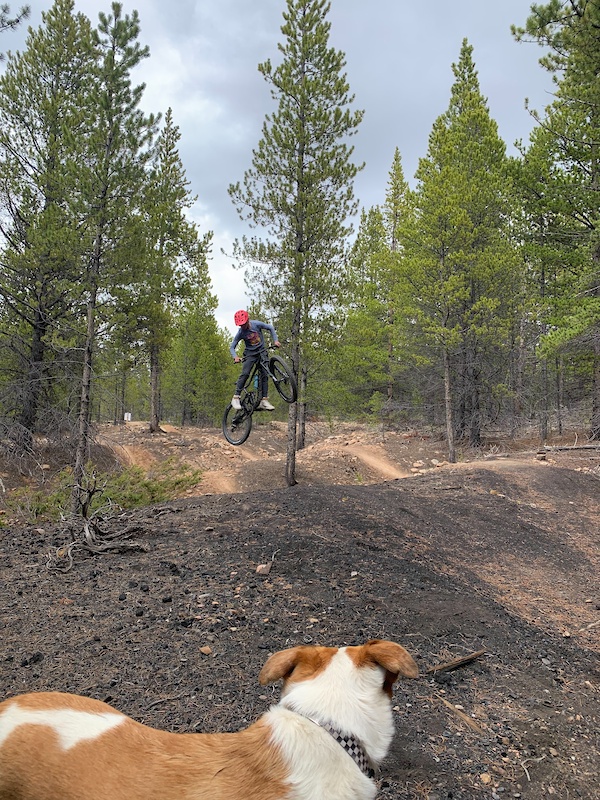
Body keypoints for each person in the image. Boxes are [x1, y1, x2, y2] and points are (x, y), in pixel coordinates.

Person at [230, 310, 281, 410]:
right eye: (240, 325)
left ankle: (264, 400)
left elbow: (270, 327)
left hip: (262, 352)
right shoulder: (241, 332)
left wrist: (275, 340)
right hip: (250, 354)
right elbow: (232, 347)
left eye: (244, 324)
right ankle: (236, 397)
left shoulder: (256, 324)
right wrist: (235, 356)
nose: (242, 327)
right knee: (245, 373)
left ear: (248, 320)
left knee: (265, 375)